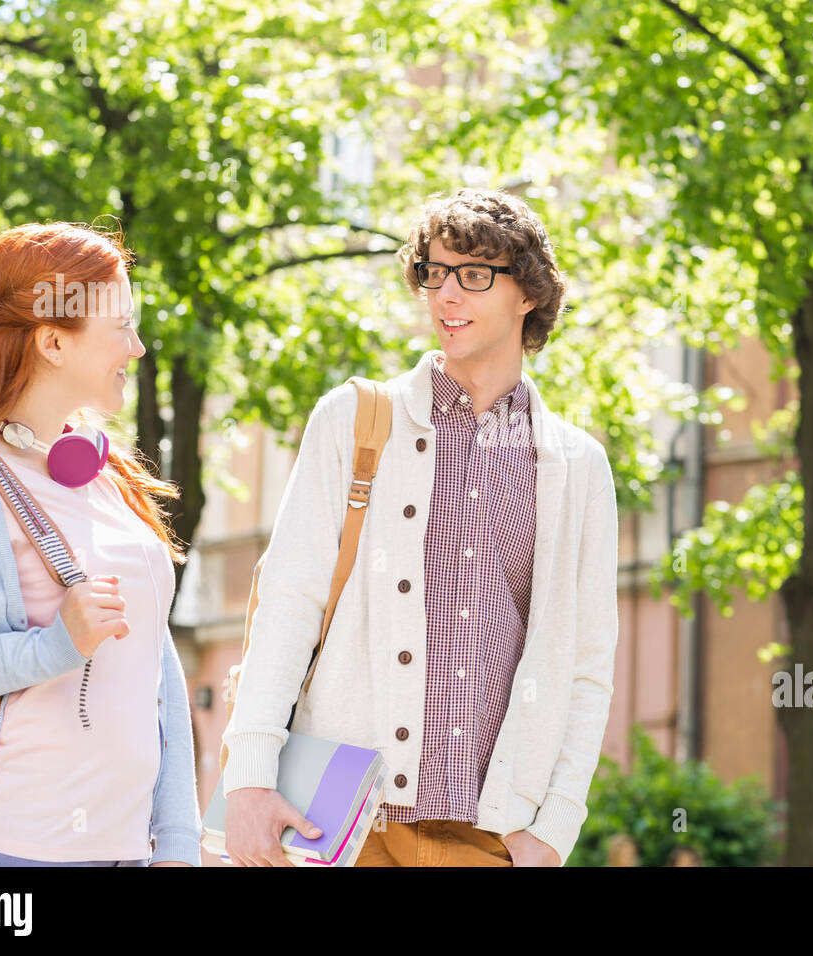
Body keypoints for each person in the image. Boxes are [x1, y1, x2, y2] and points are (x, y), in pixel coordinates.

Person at [222, 187, 620, 867]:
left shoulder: (577, 466)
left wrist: (554, 829)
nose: (445, 296)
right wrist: (249, 778)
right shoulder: (353, 421)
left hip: (492, 835)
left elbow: (585, 664)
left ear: (527, 294)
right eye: (434, 273)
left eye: (473, 275)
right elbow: (288, 603)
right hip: (343, 823)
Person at [0, 221, 200, 867]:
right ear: (54, 340)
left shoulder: (107, 476)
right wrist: (48, 650)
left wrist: (177, 843)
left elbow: (153, 668)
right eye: (121, 328)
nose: (137, 349)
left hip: (124, 853)